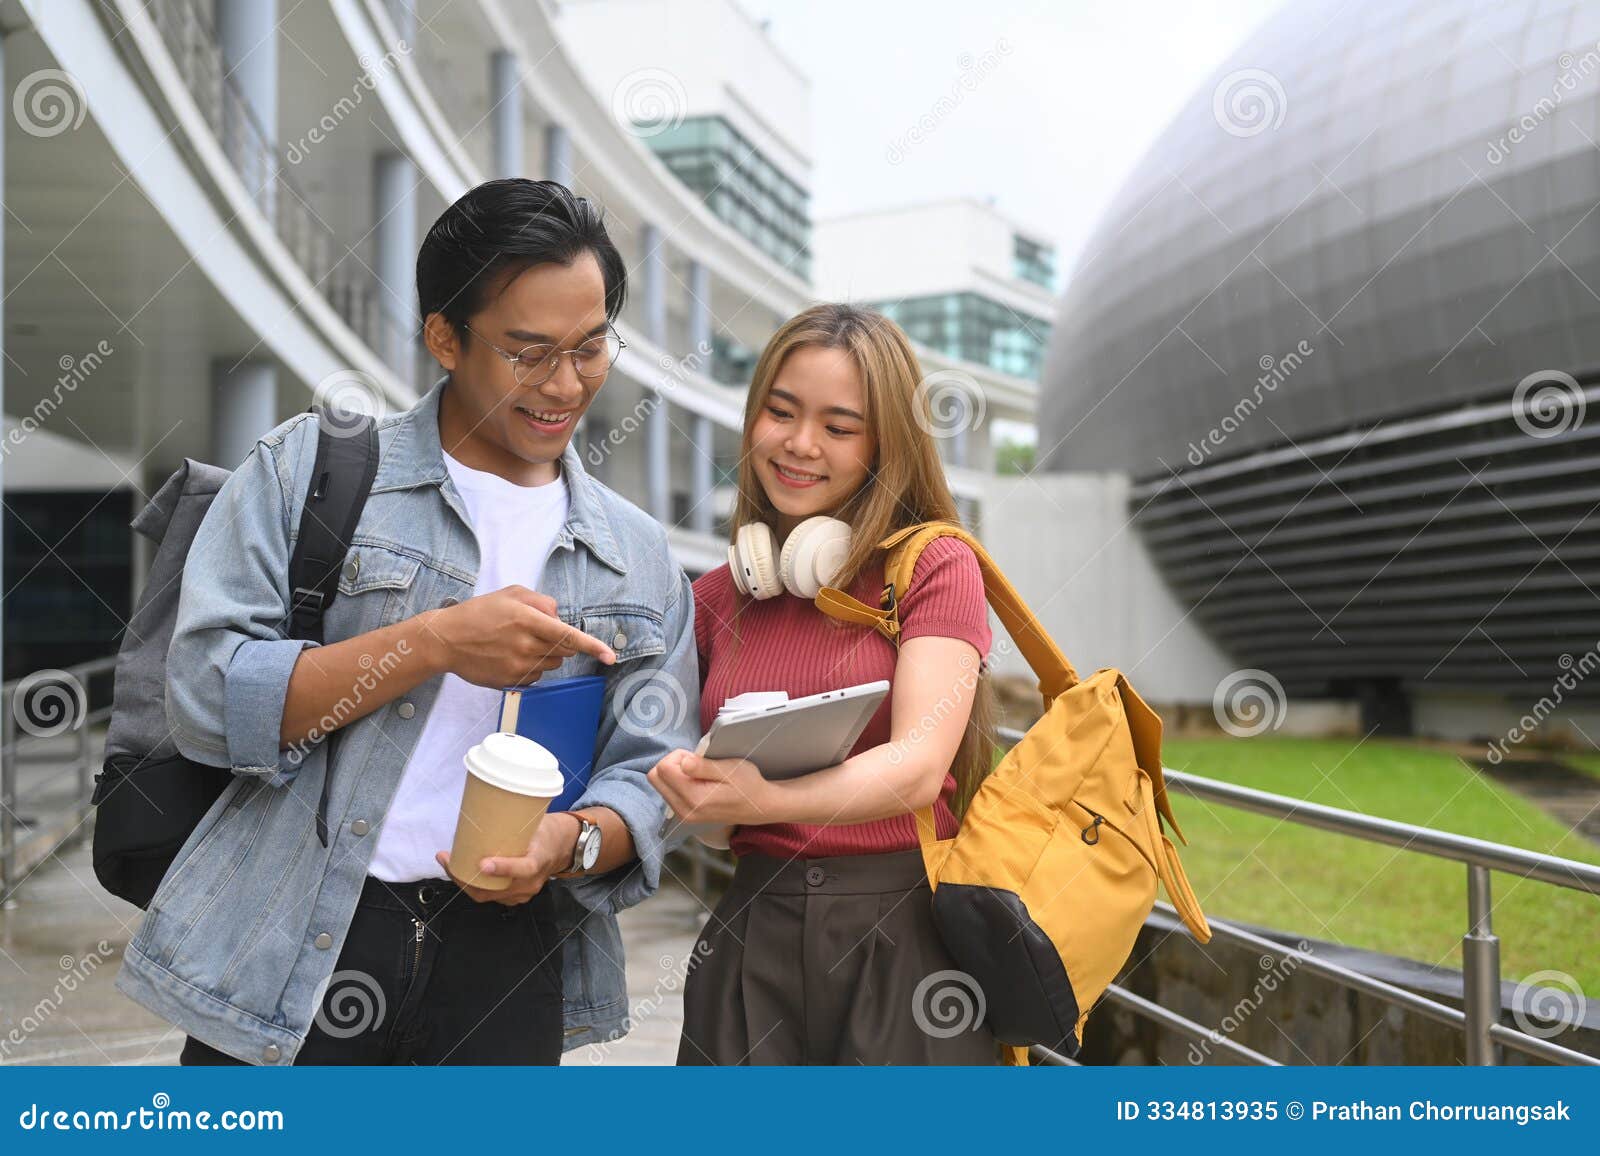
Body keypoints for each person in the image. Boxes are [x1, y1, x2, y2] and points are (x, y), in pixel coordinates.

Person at [115, 179, 698, 1065]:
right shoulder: (310, 470)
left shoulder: (638, 552)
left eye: (590, 347)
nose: (564, 384)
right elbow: (205, 695)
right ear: (444, 339)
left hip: (508, 961)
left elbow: (649, 771)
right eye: (527, 352)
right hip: (301, 940)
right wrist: (435, 643)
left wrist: (569, 842)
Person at [649, 303, 1001, 1065]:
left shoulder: (935, 568)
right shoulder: (715, 599)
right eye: (780, 412)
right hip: (752, 930)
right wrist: (688, 785)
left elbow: (917, 767)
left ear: (886, 446)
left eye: (839, 428)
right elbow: (671, 773)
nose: (800, 444)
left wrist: (768, 801)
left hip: (903, 936)